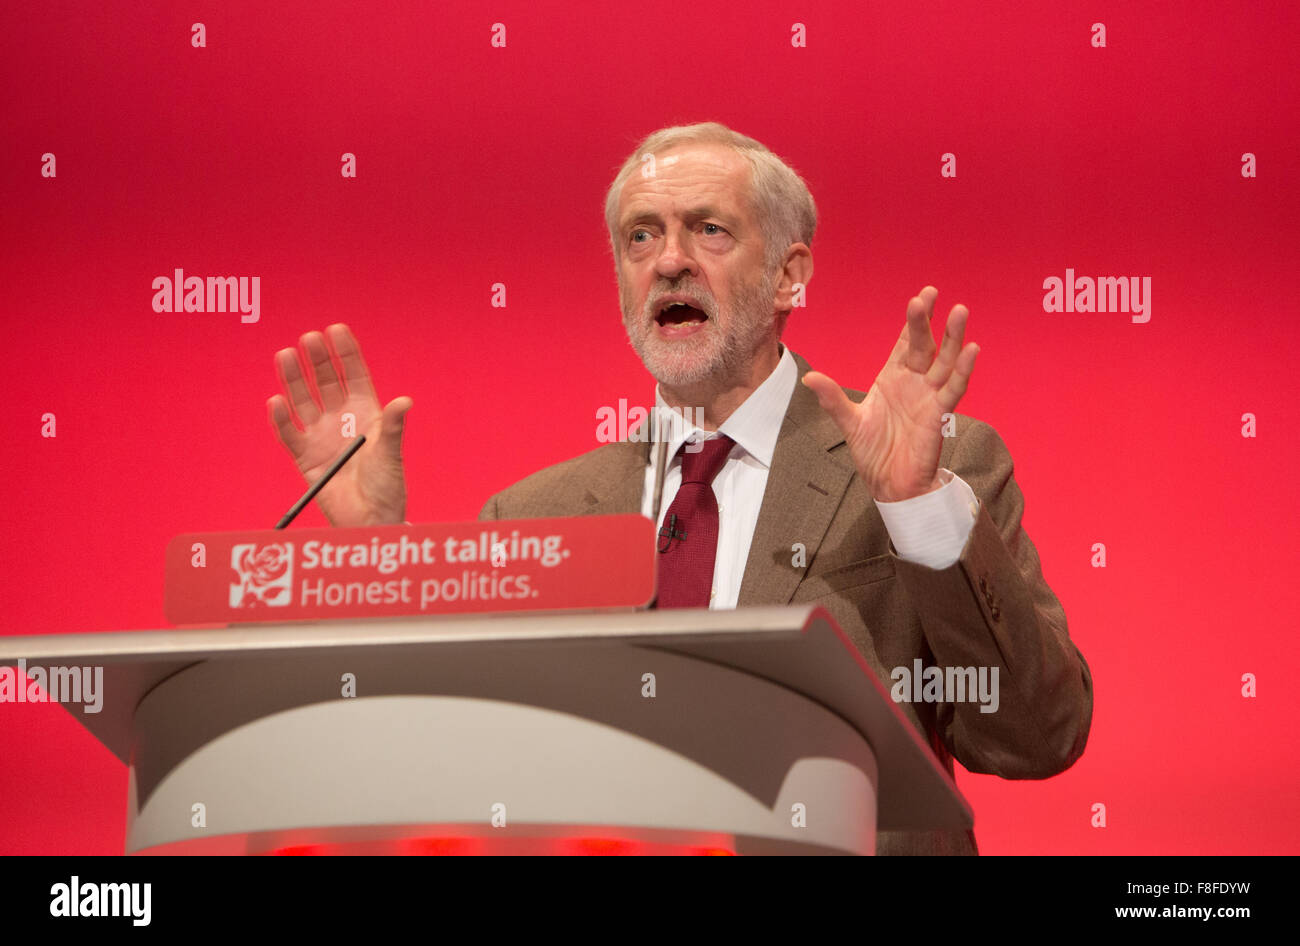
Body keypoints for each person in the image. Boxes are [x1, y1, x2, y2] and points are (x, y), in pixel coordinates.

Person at [268, 122, 1093, 855]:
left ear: (788, 275)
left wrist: (914, 507)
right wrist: (373, 550)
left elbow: (1035, 736)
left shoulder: (926, 469)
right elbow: (444, 760)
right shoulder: (534, 515)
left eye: (708, 230)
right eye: (640, 238)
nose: (669, 261)